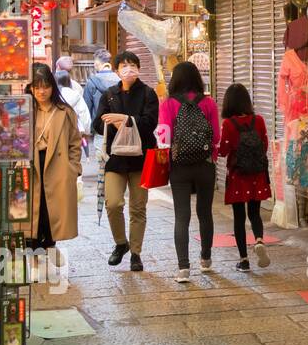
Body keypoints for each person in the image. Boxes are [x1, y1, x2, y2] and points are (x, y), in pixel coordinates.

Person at [91, 51, 158, 272]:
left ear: (138, 68)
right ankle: (121, 243)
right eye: (124, 66)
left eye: (132, 65)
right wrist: (113, 124)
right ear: (117, 69)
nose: (128, 69)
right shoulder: (109, 94)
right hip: (116, 159)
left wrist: (126, 120)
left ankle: (136, 254)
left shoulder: (148, 94)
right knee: (113, 203)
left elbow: (150, 123)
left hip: (142, 158)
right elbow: (98, 124)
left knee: (138, 207)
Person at [156, 61, 221, 283]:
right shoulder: (209, 103)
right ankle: (206, 260)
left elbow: (164, 137)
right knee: (205, 213)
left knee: (181, 216)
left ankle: (183, 268)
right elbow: (216, 137)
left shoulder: (168, 105)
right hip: (205, 165)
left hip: (179, 168)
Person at [26, 64, 81, 264]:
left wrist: (73, 168)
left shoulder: (64, 111)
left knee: (51, 210)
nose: (41, 91)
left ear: (53, 87)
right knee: (32, 211)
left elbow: (75, 141)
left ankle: (50, 245)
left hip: (57, 166)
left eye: (46, 86)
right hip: (31, 166)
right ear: (30, 87)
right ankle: (33, 253)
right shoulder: (23, 109)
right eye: (37, 86)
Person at [217, 83, 271, 271]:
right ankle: (259, 240)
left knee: (239, 217)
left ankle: (244, 260)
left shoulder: (228, 124)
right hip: (257, 174)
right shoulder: (259, 120)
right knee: (255, 213)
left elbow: (223, 151)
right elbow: (264, 145)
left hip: (238, 175)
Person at [55, 69, 92, 138]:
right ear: (69, 81)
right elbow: (83, 115)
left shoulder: (53, 96)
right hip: (75, 133)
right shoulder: (76, 95)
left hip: (56, 132)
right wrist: (86, 132)